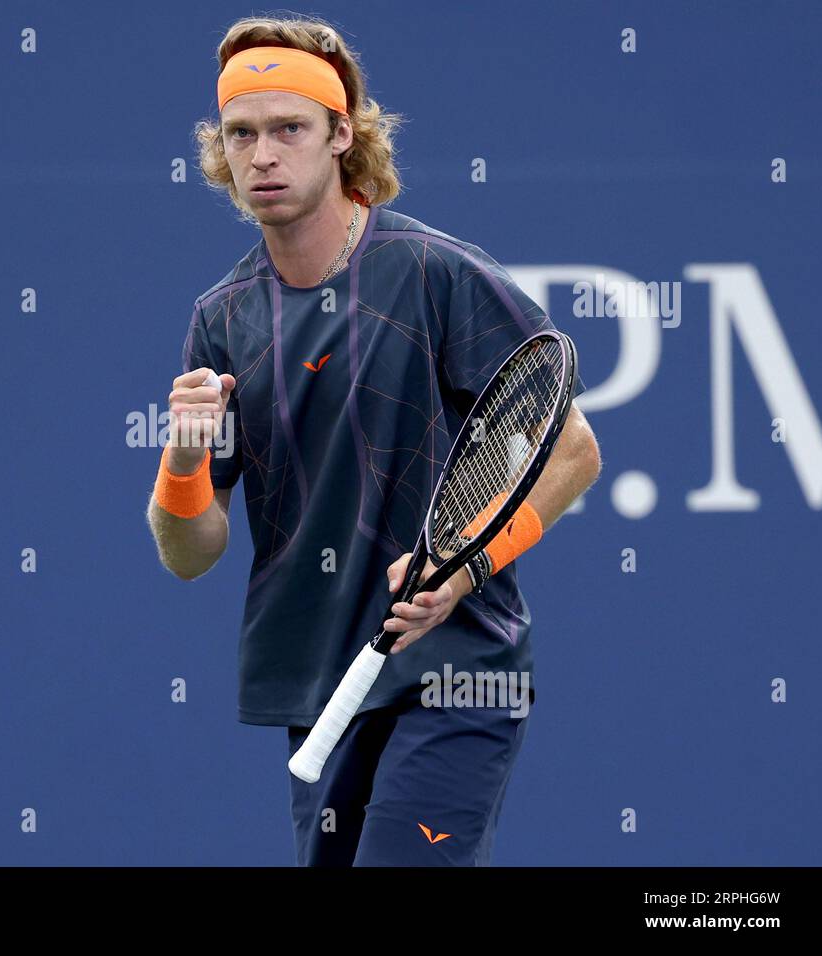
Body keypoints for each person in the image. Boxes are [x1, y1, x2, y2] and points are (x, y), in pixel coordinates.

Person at [145, 14, 602, 866]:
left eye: (290, 129)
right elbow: (189, 552)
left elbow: (574, 448)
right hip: (318, 681)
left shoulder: (434, 273)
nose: (264, 156)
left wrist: (466, 565)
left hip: (461, 670)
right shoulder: (221, 320)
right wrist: (180, 464)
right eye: (242, 134)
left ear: (341, 136)